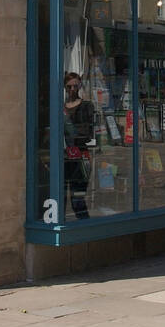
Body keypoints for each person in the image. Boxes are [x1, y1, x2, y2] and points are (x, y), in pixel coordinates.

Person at [63, 71, 98, 219]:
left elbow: (88, 132)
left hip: (81, 156)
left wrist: (72, 132)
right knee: (61, 197)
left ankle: (85, 225)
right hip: (64, 157)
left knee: (77, 198)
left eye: (75, 86)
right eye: (69, 87)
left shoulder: (86, 106)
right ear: (65, 87)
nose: (72, 90)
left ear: (79, 86)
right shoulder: (60, 107)